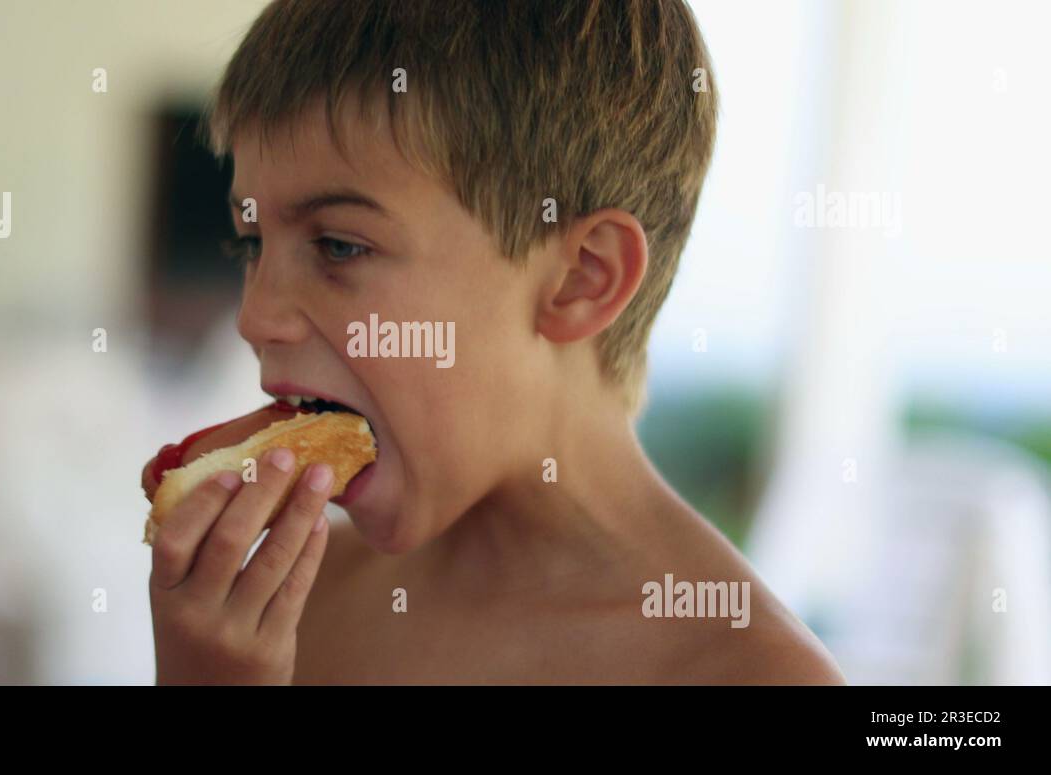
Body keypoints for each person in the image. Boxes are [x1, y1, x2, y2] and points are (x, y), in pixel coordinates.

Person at [146, 0, 845, 684]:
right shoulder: (295, 604)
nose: (256, 315)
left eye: (339, 245)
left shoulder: (747, 671)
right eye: (253, 243)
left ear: (582, 279)